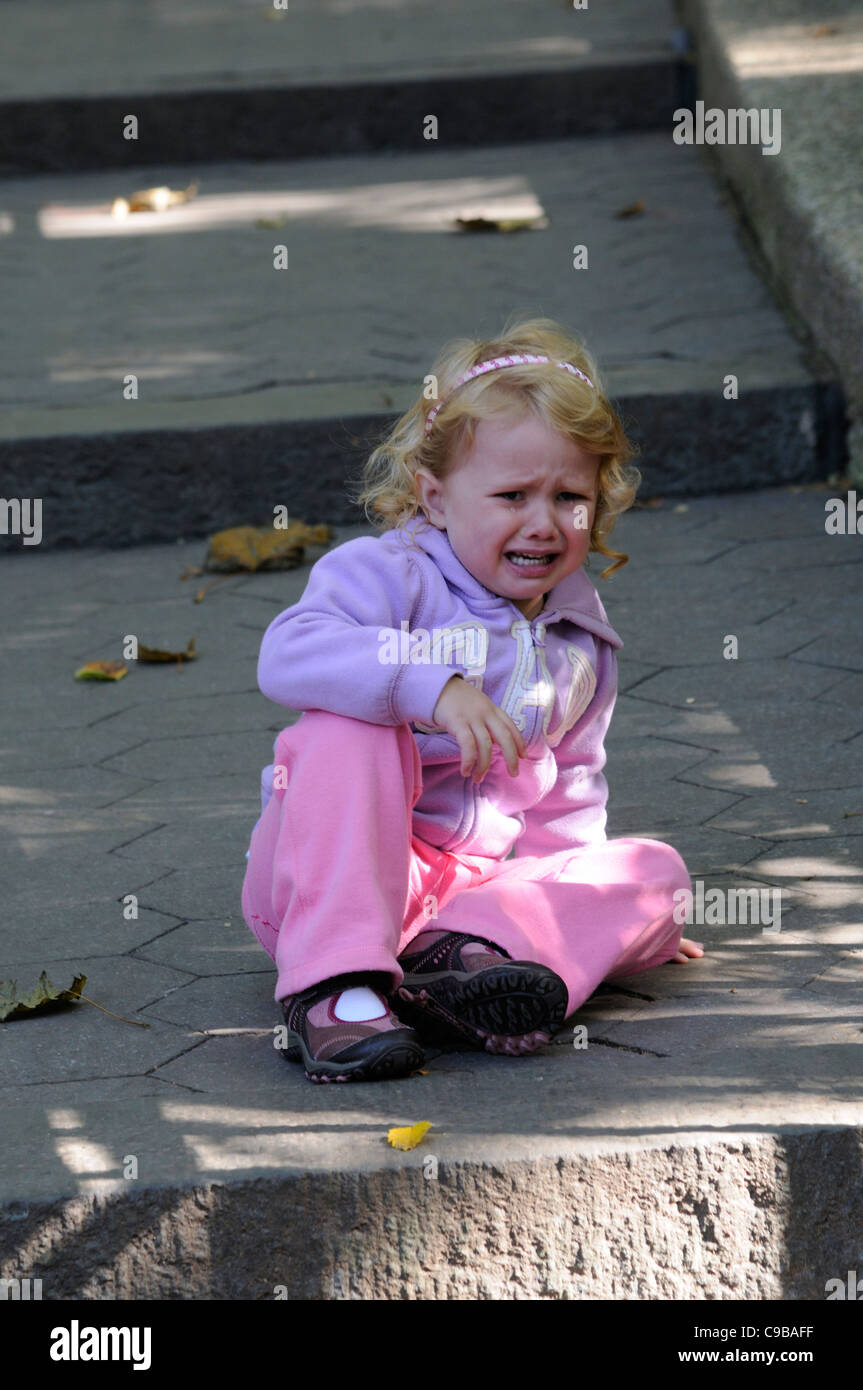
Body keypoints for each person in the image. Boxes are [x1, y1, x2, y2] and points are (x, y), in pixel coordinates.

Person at [241, 315, 704, 1083]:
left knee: (656, 873)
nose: (542, 523)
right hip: (327, 882)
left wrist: (593, 909)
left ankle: (453, 974)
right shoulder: (389, 576)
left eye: (569, 498)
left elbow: (571, 792)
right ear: (434, 497)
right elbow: (288, 650)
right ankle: (334, 989)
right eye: (511, 494)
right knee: (347, 728)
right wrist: (427, 685)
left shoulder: (579, 636)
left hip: (469, 897)